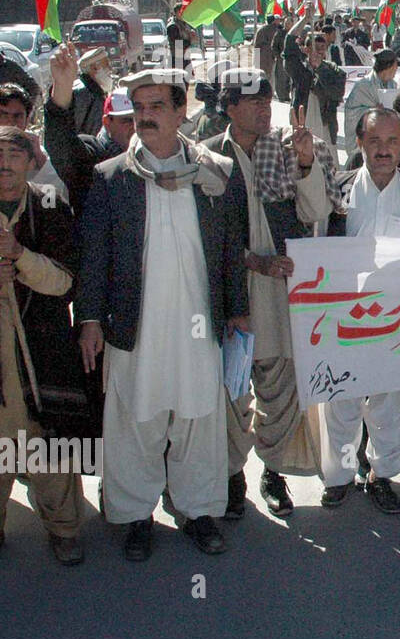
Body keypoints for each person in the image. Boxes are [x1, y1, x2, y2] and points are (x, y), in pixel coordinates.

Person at [78, 68, 251, 560]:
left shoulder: (215, 172)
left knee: (198, 415)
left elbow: (230, 248)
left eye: (157, 106)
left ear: (180, 112)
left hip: (199, 325)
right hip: (137, 326)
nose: (146, 115)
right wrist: (89, 318)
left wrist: (238, 310)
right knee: (137, 417)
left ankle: (198, 511)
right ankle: (136, 515)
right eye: (140, 106)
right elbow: (95, 254)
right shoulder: (112, 177)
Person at [203, 71, 337, 520]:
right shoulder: (207, 156)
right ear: (230, 107)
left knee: (279, 383)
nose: (264, 108)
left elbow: (315, 211)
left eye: (267, 100)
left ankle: (272, 472)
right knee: (232, 388)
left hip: (279, 290)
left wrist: (304, 164)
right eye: (252, 101)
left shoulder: (283, 148)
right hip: (232, 289)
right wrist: (251, 260)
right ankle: (231, 474)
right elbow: (205, 237)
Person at [320, 108, 400, 514]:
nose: (383, 150)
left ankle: (382, 476)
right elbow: (315, 250)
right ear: (359, 143)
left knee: (394, 406)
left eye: (392, 142)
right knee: (341, 402)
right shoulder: (338, 190)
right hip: (346, 321)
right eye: (374, 141)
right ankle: (341, 478)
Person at [0, 126, 86, 566]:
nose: (5, 167)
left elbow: (66, 281)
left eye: (15, 156)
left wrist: (20, 256)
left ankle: (64, 529)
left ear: (32, 161)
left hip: (41, 349)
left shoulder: (50, 204)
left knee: (47, 443)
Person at [43, 44, 134, 216]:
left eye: (139, 119)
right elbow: (63, 147)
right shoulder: (92, 159)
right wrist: (62, 88)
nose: (134, 127)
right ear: (107, 122)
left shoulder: (150, 157)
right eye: (127, 120)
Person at [284, 18, 346, 147]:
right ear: (306, 49)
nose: (318, 51)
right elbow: (289, 42)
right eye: (314, 47)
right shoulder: (300, 70)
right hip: (303, 126)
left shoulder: (333, 69)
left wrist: (320, 68)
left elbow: (337, 93)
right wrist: (305, 18)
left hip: (325, 127)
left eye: (322, 48)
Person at [343, 48, 400, 150]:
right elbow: (351, 111)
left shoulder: (393, 84)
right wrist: (372, 112)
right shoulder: (364, 85)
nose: (396, 69)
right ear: (388, 67)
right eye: (396, 66)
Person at [71, 49, 114, 136]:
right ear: (94, 68)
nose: (111, 69)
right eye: (106, 65)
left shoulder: (97, 91)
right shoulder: (81, 93)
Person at [165, 3, 195, 69]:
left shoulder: (183, 23)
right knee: (178, 78)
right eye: (182, 11)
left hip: (184, 57)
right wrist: (190, 39)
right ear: (177, 12)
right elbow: (178, 44)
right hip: (176, 59)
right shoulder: (173, 26)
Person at [252, 15, 279, 80]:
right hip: (273, 58)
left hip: (262, 58)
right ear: (274, 21)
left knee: (261, 77)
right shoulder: (277, 30)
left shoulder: (261, 30)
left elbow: (256, 46)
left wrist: (256, 61)